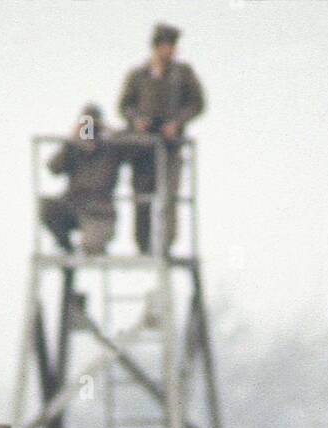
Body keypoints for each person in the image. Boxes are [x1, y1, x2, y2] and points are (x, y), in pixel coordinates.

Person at [118, 23, 205, 253]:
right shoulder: (138, 75)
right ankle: (143, 244)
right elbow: (124, 106)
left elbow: (197, 103)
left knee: (169, 197)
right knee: (142, 196)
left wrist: (177, 122)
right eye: (168, 45)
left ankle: (165, 245)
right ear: (157, 47)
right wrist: (136, 120)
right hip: (143, 148)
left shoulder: (183, 74)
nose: (172, 50)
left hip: (170, 147)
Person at [40, 105, 124, 255]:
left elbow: (133, 146)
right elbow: (53, 168)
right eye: (86, 125)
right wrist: (71, 140)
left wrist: (108, 130)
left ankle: (81, 251)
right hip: (74, 203)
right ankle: (65, 247)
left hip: (100, 209)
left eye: (92, 125)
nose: (89, 130)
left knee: (91, 250)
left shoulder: (112, 149)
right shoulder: (73, 148)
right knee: (47, 206)